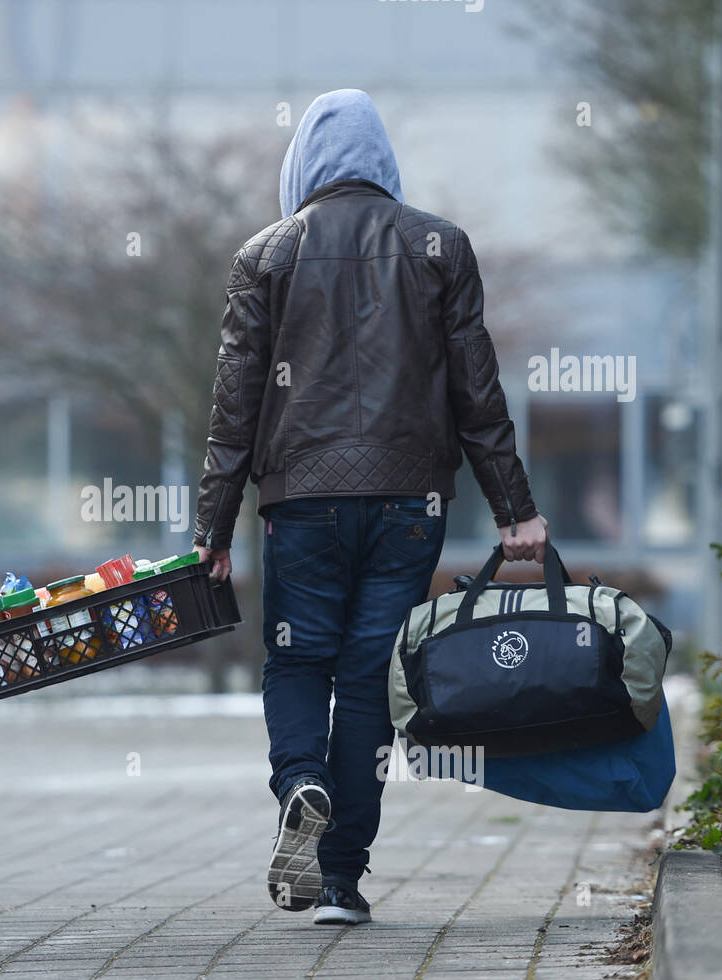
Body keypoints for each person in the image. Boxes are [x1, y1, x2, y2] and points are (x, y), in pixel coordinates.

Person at [192, 90, 548, 926]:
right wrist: (515, 510)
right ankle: (343, 880)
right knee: (365, 681)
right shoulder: (440, 247)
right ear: (383, 165)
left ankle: (299, 784)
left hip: (301, 504)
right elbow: (477, 392)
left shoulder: (265, 256)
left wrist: (211, 528)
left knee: (294, 663)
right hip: (408, 504)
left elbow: (233, 408)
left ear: (303, 168)